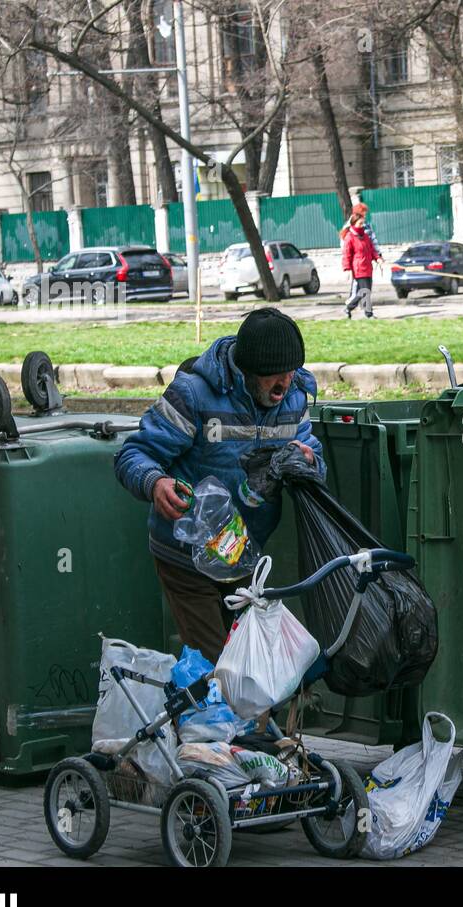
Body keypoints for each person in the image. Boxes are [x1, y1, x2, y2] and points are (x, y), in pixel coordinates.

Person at [114, 308, 325, 661]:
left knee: (254, 669)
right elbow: (133, 455)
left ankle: (228, 714)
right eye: (273, 375)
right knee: (220, 668)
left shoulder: (295, 398)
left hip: (243, 554)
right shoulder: (194, 395)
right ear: (247, 370)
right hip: (185, 556)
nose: (284, 383)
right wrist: (156, 483)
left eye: (290, 372)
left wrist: (308, 463)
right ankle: (212, 713)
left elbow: (314, 458)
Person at [341, 204, 382, 319]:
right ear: (354, 224)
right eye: (360, 223)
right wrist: (347, 269)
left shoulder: (365, 236)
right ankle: (368, 314)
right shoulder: (350, 237)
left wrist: (378, 258)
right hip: (359, 268)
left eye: (363, 223)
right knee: (365, 291)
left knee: (364, 291)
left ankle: (348, 308)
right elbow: (346, 254)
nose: (362, 225)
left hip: (368, 267)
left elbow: (371, 250)